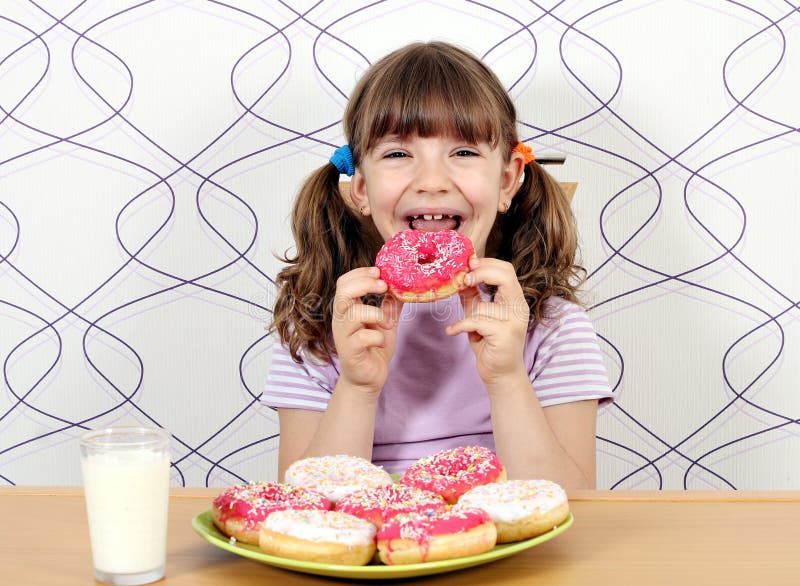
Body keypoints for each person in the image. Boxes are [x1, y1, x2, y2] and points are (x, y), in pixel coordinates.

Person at [262, 41, 612, 489]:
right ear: (361, 189)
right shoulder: (317, 330)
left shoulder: (552, 329)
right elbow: (303, 514)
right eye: (397, 154)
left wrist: (506, 379)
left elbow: (570, 506)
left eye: (464, 152)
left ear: (506, 182)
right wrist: (357, 387)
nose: (431, 182)